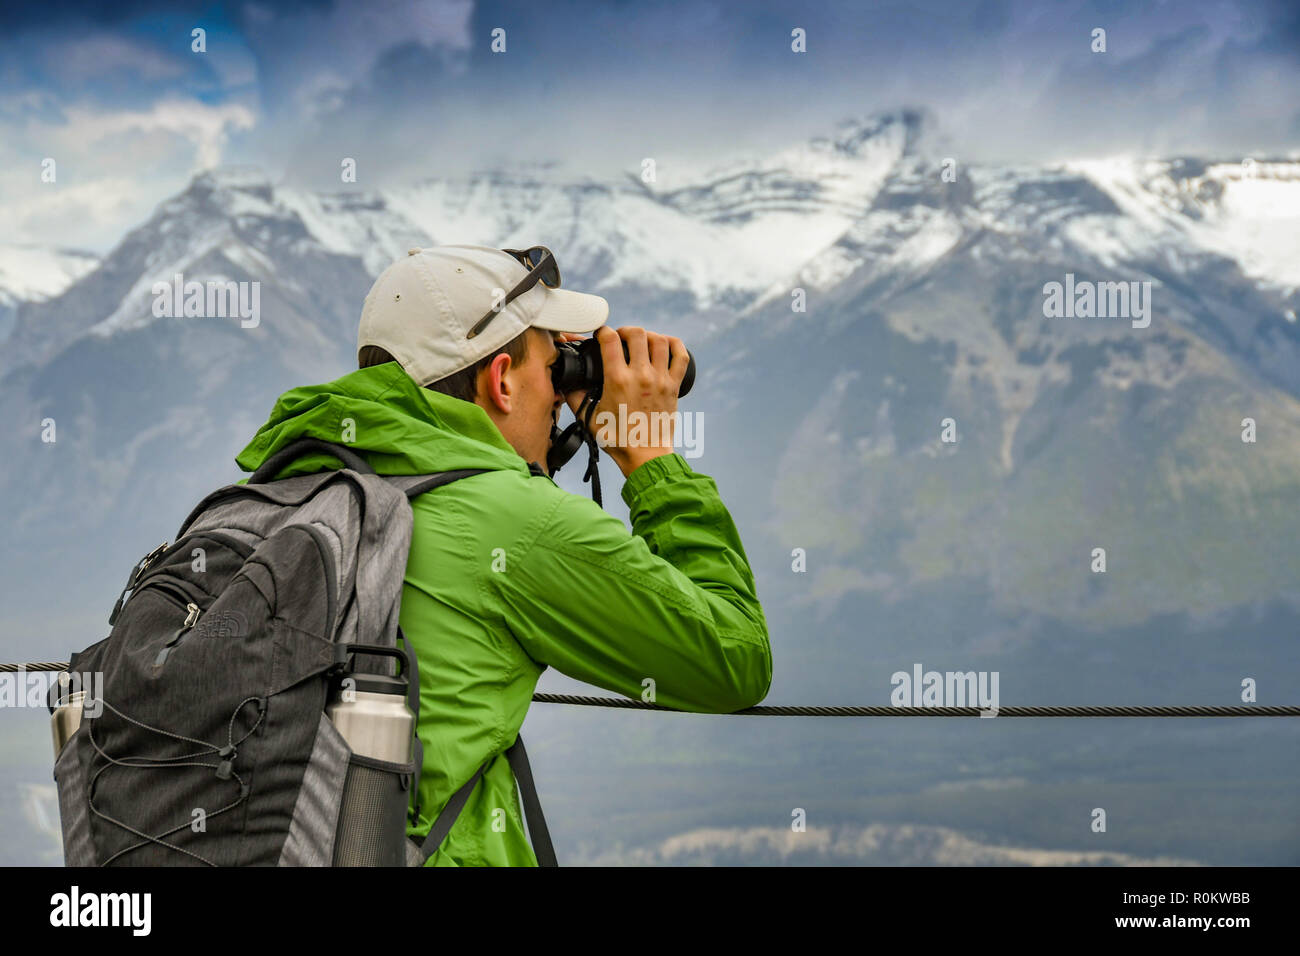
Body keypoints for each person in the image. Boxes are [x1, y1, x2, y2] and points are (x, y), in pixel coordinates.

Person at [234, 244, 771, 866]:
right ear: (502, 381)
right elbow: (735, 659)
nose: (562, 396)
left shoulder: (282, 490)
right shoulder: (513, 522)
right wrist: (650, 458)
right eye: (553, 365)